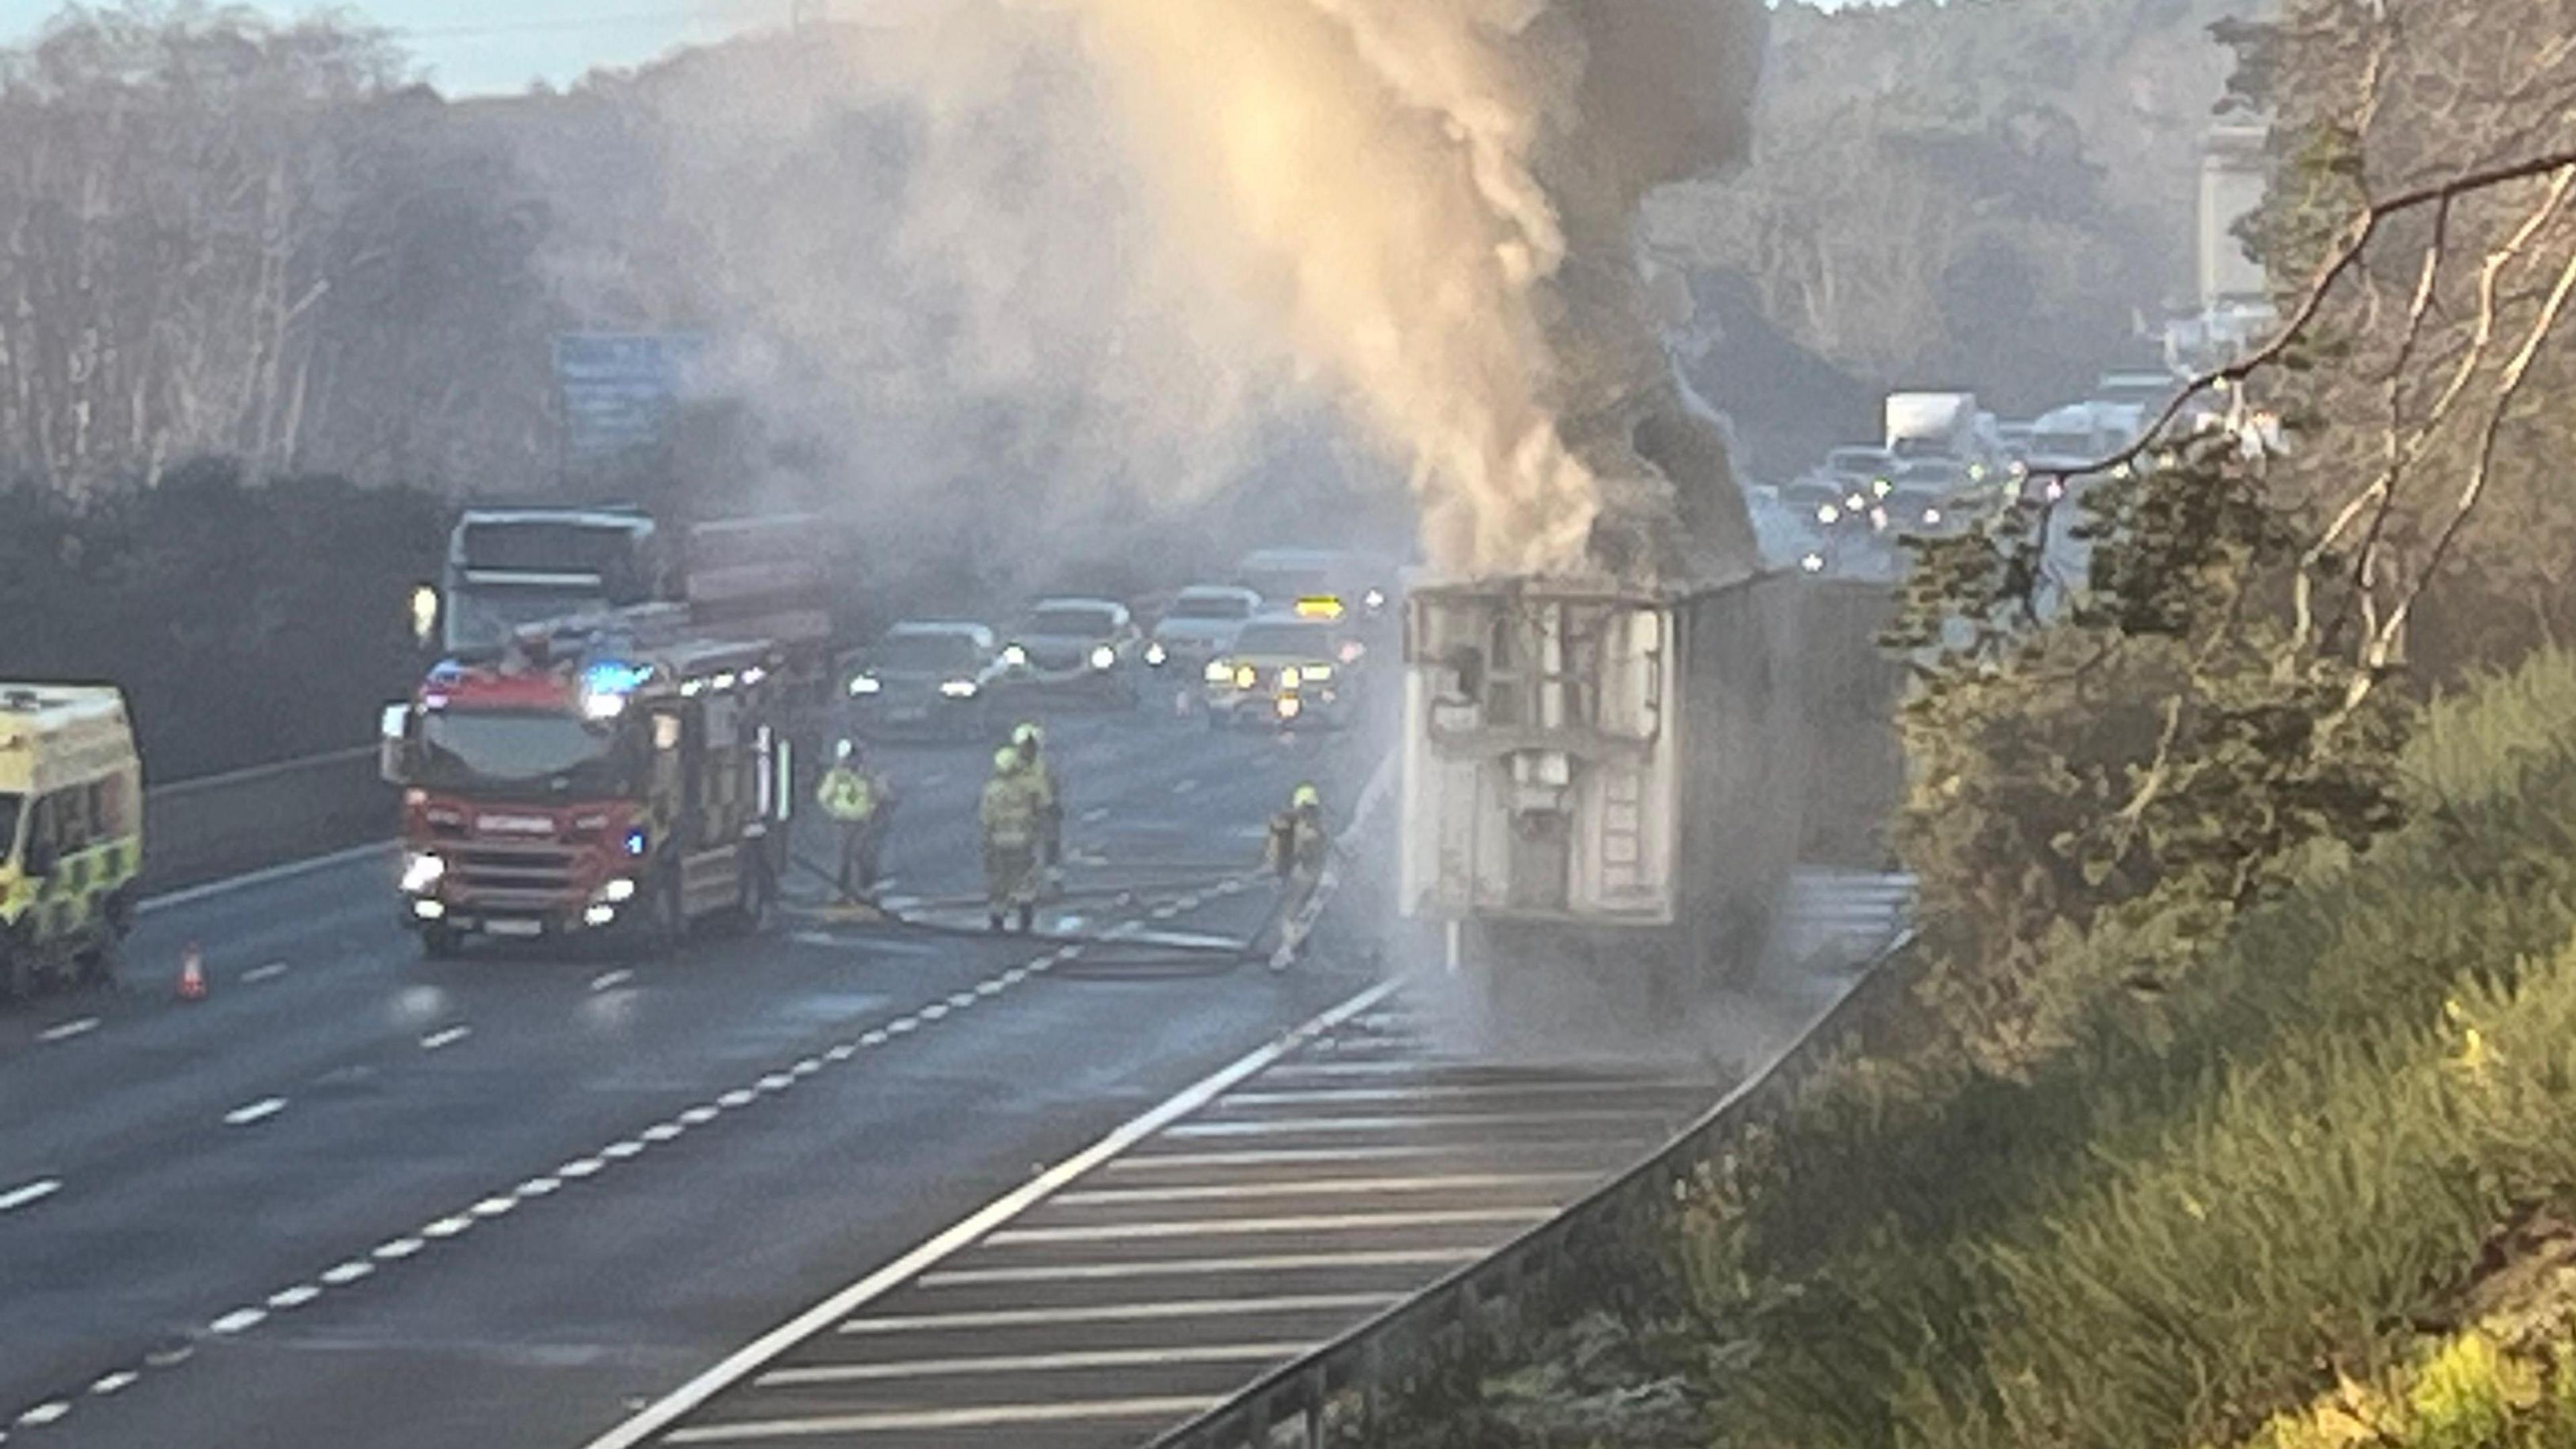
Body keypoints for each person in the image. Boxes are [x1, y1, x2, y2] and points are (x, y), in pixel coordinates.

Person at [979, 745, 1048, 934]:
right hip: (1023, 840)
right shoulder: (1026, 789)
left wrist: (986, 844)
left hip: (999, 840)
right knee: (1024, 879)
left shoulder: (991, 791)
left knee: (999, 881)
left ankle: (997, 921)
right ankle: (1025, 921)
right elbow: (1039, 811)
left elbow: (986, 820)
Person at [1263, 782, 1332, 970]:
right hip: (1303, 873)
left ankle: (1294, 945)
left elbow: (1277, 852)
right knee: (1295, 910)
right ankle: (1290, 947)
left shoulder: (1288, 822)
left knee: (1295, 910)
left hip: (1298, 873)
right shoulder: (1308, 826)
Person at [815, 739, 892, 900]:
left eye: (853, 757)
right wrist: (834, 812)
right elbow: (823, 797)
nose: (850, 761)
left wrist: (877, 807)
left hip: (865, 821)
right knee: (845, 855)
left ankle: (866, 887)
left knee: (863, 854)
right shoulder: (836, 776)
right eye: (847, 758)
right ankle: (842, 889)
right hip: (843, 822)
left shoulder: (866, 775)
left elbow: (878, 794)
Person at [1010, 722, 1065, 893]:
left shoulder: (1040, 766)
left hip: (1041, 810)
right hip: (1031, 811)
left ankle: (1049, 882)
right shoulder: (1024, 766)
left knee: (1048, 848)